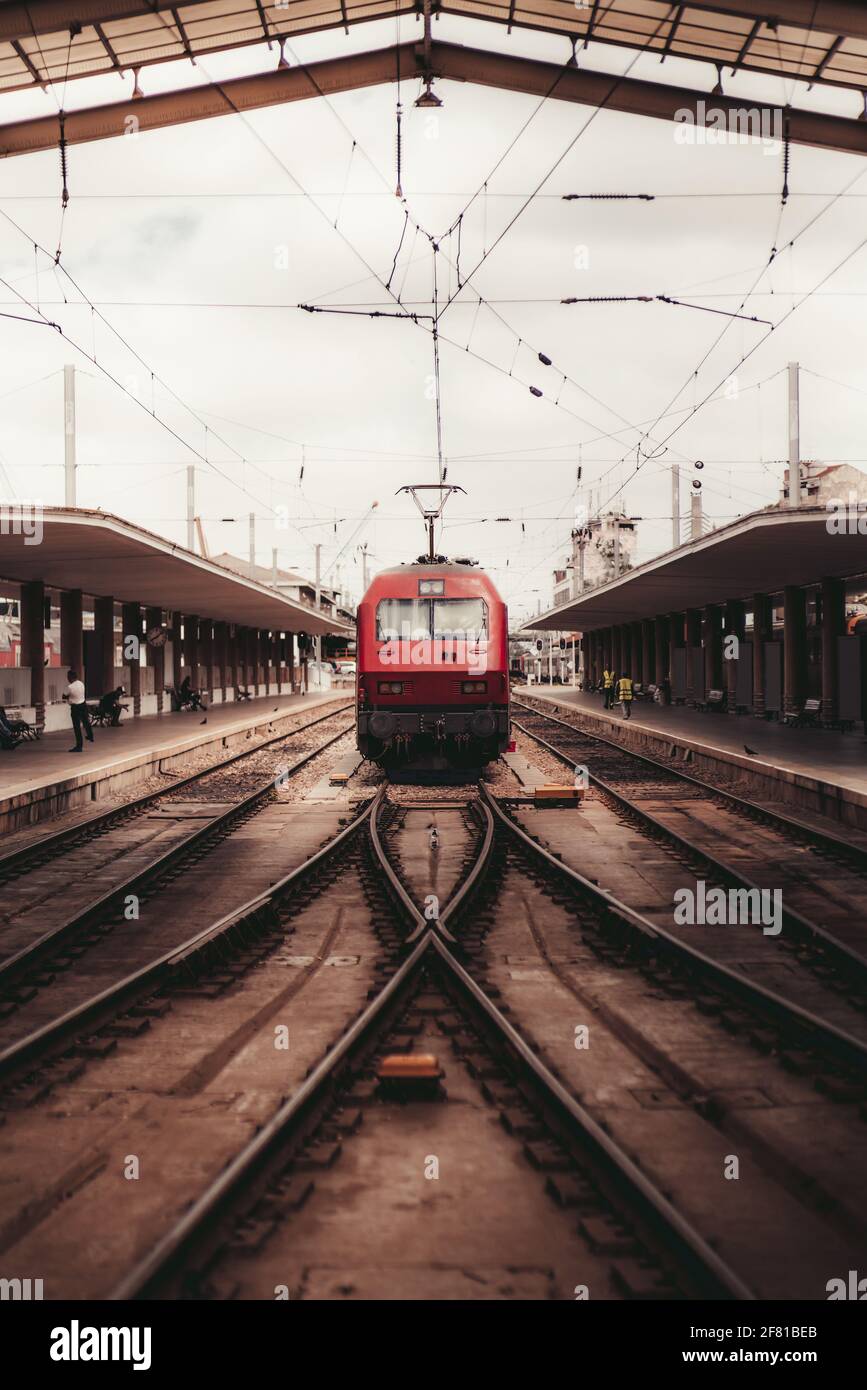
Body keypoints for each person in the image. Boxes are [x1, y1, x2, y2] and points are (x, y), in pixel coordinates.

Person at [64, 669, 94, 752]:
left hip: (75, 708)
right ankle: (90, 735)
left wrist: (68, 697)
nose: (67, 679)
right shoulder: (81, 683)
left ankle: (79, 746)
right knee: (86, 722)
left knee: (77, 727)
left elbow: (64, 695)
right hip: (83, 705)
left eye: (68, 677)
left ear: (70, 677)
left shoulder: (70, 687)